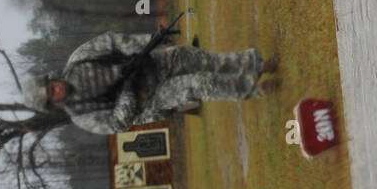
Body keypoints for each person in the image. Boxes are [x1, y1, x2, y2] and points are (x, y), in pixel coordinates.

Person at [23, 31, 278, 136]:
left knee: (202, 60)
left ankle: (254, 64)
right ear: (53, 103)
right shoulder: (81, 116)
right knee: (197, 84)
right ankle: (252, 88)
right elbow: (116, 124)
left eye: (50, 85)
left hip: (151, 62)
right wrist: (128, 88)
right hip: (149, 98)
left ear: (52, 78)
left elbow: (111, 41)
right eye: (50, 95)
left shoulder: (77, 61)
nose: (55, 89)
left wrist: (138, 50)